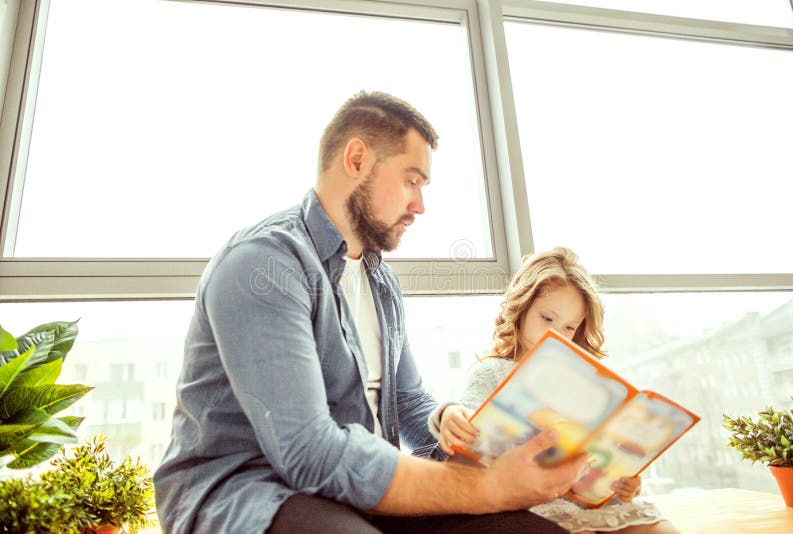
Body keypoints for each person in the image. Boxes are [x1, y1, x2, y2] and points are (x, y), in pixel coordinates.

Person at [154, 91, 589, 533]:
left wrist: (450, 423)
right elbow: (309, 453)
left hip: (354, 492)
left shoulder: (381, 281)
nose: (420, 205)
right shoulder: (264, 265)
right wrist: (487, 488)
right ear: (358, 159)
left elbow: (406, 398)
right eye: (412, 180)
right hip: (249, 494)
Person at [430, 247, 680, 533]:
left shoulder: (586, 383)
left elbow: (602, 453)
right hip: (535, 500)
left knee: (660, 529)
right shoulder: (494, 372)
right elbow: (466, 421)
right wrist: (450, 414)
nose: (556, 335)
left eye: (570, 326)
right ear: (521, 310)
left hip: (588, 499)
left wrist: (624, 481)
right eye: (547, 319)